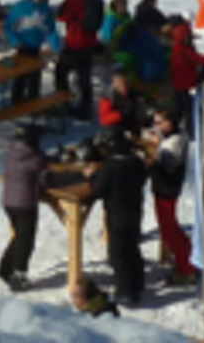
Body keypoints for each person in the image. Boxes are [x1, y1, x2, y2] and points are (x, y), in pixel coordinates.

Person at [87, 128, 149, 307]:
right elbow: (143, 178)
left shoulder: (111, 167)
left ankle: (126, 291)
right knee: (132, 248)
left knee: (119, 253)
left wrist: (92, 178)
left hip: (117, 213)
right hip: (135, 211)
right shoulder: (136, 162)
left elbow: (98, 191)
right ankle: (138, 283)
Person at [148, 103, 200, 283]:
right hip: (166, 187)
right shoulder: (174, 137)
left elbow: (163, 168)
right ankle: (187, 261)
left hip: (166, 189)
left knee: (169, 230)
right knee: (170, 228)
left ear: (170, 122)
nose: (156, 126)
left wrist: (154, 152)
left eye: (159, 123)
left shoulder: (174, 142)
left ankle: (187, 268)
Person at [0, 119, 50, 291]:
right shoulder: (36, 158)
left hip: (8, 202)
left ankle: (5, 268)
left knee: (19, 236)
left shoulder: (13, 153)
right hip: (25, 203)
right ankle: (18, 275)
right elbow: (44, 179)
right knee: (26, 241)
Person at [56, 0, 105, 118]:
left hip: (75, 40)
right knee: (85, 77)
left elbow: (64, 15)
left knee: (61, 71)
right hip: (90, 42)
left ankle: (62, 103)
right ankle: (86, 108)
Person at [3, 0, 57, 104]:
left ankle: (33, 102)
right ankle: (16, 102)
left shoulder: (45, 8)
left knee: (35, 76)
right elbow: (8, 27)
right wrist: (15, 41)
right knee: (20, 76)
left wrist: (55, 45)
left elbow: (51, 28)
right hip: (22, 47)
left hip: (36, 47)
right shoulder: (20, 7)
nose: (40, 0)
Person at [168, 13, 204, 95]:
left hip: (178, 82)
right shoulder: (184, 49)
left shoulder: (175, 46)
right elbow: (201, 60)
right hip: (188, 82)